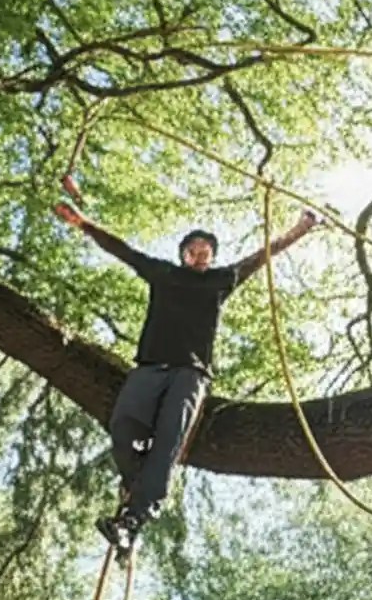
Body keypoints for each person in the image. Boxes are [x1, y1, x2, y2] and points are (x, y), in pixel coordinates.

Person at [53, 174, 318, 561]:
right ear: (182, 254)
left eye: (205, 248)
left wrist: (300, 229)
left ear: (211, 254)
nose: (199, 252)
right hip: (150, 367)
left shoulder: (222, 280)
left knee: (169, 440)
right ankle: (136, 487)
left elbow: (261, 256)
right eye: (192, 248)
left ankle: (132, 520)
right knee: (124, 426)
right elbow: (124, 251)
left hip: (190, 374)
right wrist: (83, 224)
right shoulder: (163, 274)